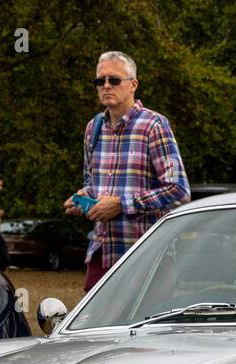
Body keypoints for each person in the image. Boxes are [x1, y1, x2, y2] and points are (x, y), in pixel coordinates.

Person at [64, 51, 189, 291]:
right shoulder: (93, 128)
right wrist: (83, 199)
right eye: (100, 81)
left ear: (133, 85)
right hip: (102, 253)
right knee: (95, 328)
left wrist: (122, 204)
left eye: (114, 80)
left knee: (143, 328)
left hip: (145, 255)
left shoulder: (154, 125)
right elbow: (92, 182)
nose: (106, 86)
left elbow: (179, 191)